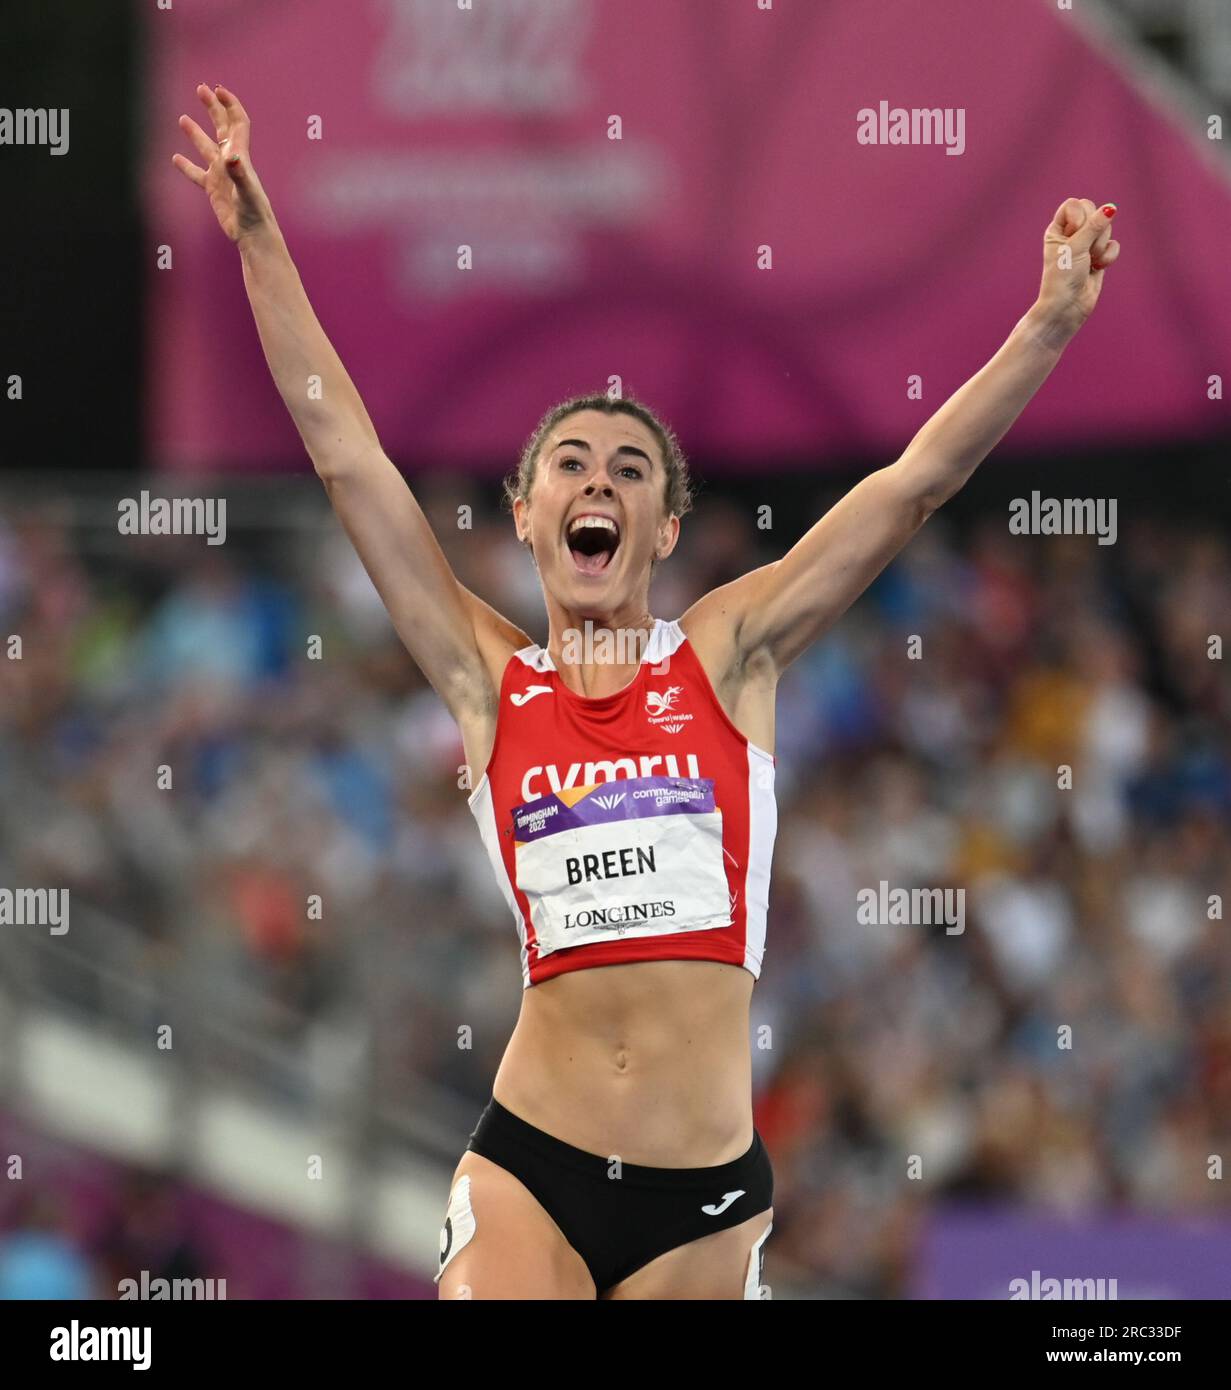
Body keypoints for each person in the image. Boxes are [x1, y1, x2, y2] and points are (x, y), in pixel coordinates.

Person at [173, 83, 1120, 1299]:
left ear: (664, 530)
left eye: (629, 471)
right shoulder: (485, 679)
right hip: (532, 1165)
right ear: (526, 516)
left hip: (702, 1200)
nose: (597, 483)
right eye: (569, 464)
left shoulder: (729, 652)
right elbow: (345, 454)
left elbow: (913, 483)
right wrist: (259, 240)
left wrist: (1046, 324)